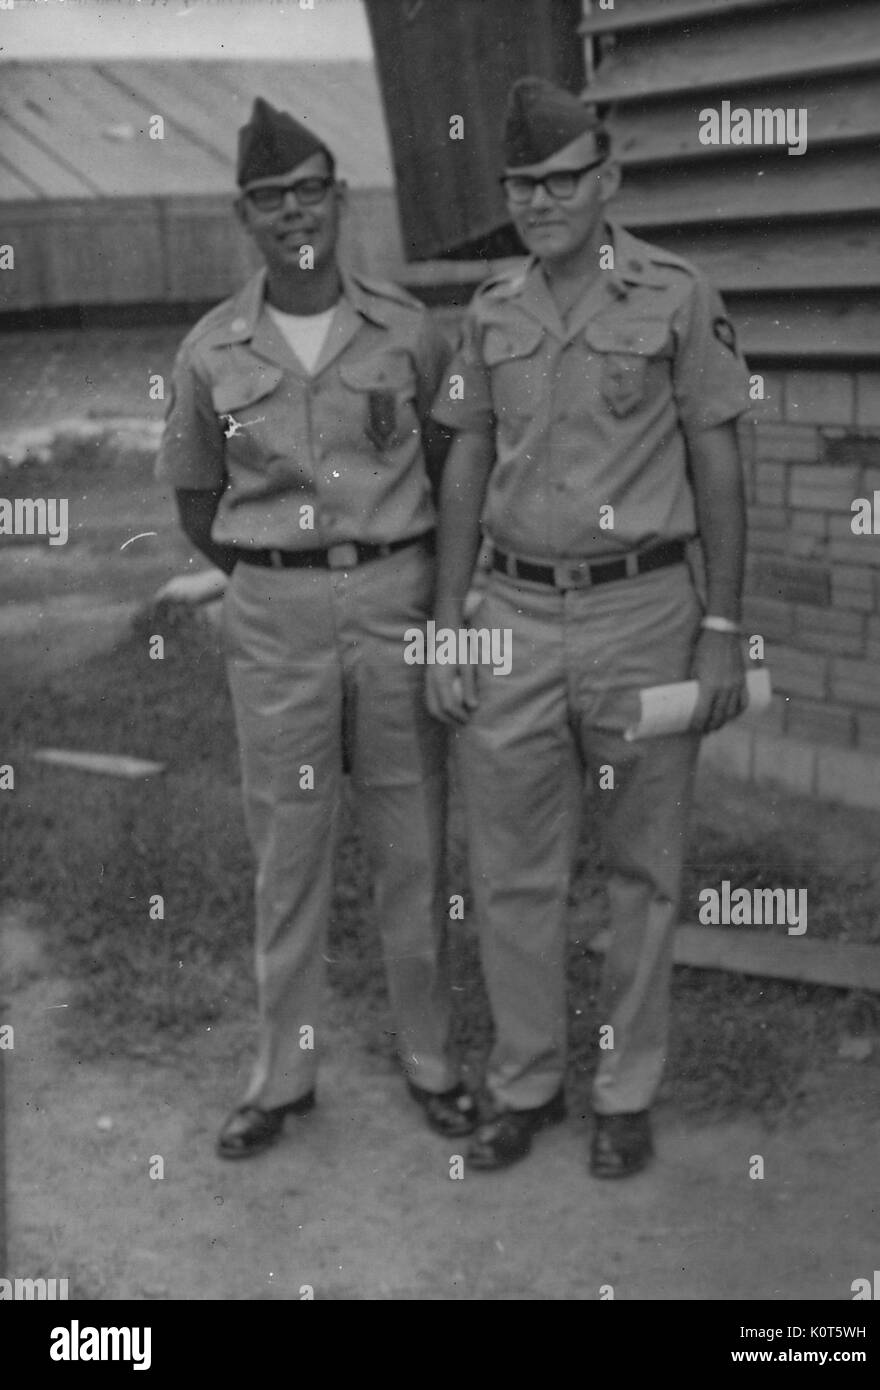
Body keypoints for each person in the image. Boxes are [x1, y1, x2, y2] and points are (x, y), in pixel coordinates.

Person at [427, 76, 750, 1177]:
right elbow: (465, 455)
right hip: (510, 612)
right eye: (523, 183)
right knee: (510, 864)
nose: (541, 200)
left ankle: (626, 1089)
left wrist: (723, 626)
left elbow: (718, 458)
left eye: (562, 180)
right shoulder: (491, 308)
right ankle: (525, 1083)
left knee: (641, 868)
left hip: (643, 610)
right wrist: (445, 620)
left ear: (605, 179)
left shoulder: (673, 292)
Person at [156, 97, 475, 1159]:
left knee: (411, 841)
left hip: (394, 601)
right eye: (267, 198)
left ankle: (430, 1060)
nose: (291, 212)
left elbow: (444, 465)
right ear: (242, 216)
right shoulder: (211, 350)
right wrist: (277, 578)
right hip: (277, 615)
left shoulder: (406, 331)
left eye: (308, 192)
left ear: (340, 202)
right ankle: (281, 1073)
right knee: (287, 850)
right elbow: (199, 502)